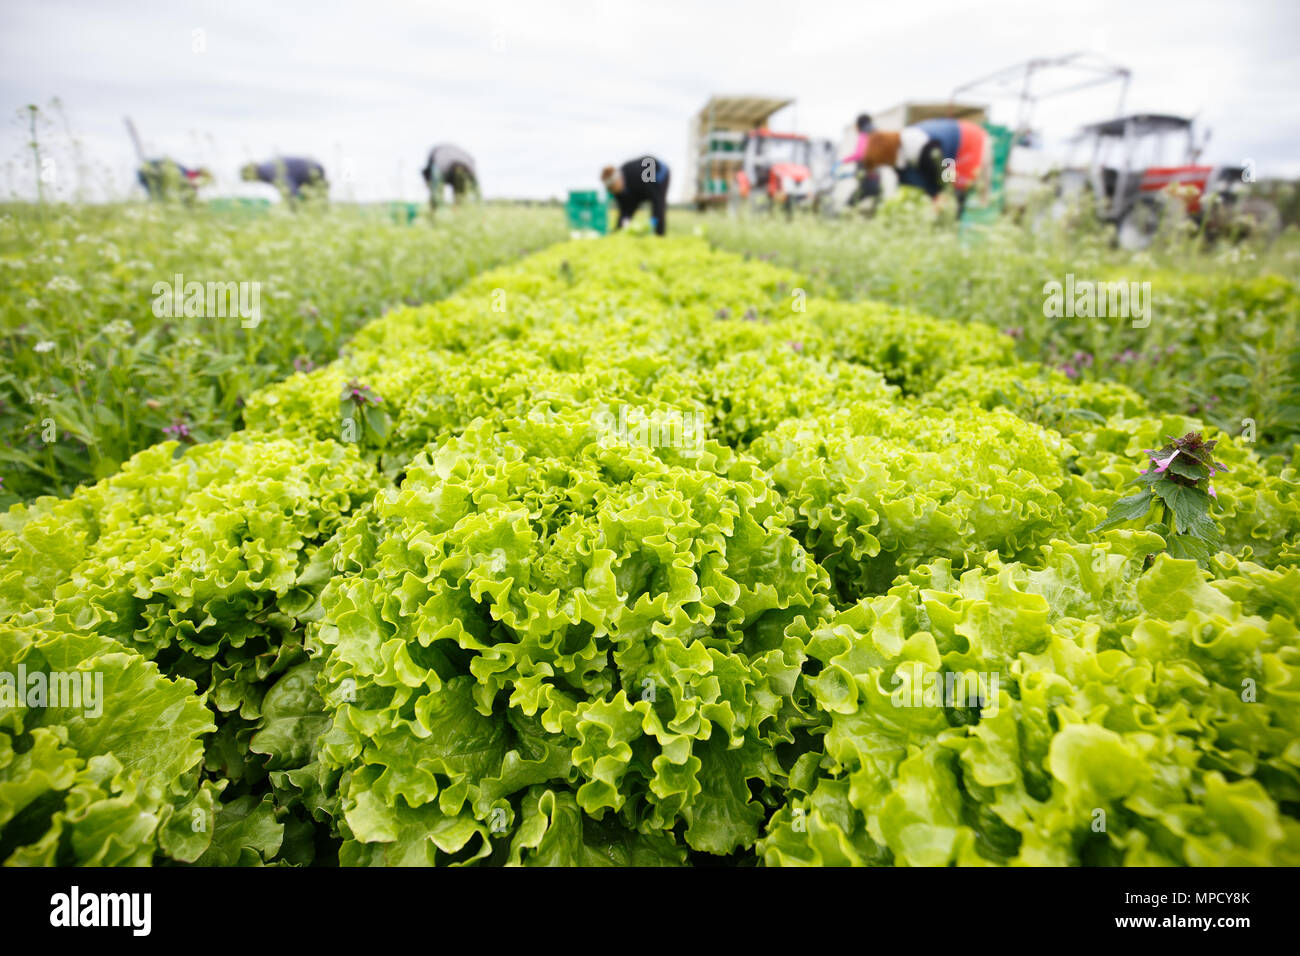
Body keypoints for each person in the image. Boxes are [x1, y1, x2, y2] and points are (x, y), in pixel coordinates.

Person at [863, 117, 991, 215]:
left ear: (885, 153)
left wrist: (946, 191)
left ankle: (956, 231)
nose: (884, 165)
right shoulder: (900, 159)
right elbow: (918, 179)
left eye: (881, 162)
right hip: (950, 154)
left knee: (956, 196)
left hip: (967, 140)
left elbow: (947, 161)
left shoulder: (914, 143)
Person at [601, 156, 670, 236]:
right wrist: (618, 230)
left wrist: (656, 223)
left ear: (618, 179)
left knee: (658, 206)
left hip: (659, 176)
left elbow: (657, 200)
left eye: (613, 187)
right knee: (628, 207)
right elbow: (625, 210)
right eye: (610, 189)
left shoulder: (636, 173)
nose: (613, 191)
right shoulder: (617, 191)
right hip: (636, 189)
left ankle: (660, 235)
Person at [240, 156, 327, 200]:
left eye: (251, 179)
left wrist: (292, 209)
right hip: (310, 169)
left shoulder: (269, 171)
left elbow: (290, 189)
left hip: (311, 170)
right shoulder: (267, 168)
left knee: (316, 201)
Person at [841, 114, 881, 207]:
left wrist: (843, 161)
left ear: (859, 125)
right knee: (877, 203)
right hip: (876, 176)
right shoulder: (877, 134)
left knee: (850, 204)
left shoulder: (864, 134)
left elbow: (859, 154)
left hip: (867, 176)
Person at [422, 143, 479, 209]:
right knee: (460, 198)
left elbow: (476, 188)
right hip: (462, 166)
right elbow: (477, 190)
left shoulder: (438, 160)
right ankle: (454, 210)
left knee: (437, 196)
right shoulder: (466, 160)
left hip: (451, 166)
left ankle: (438, 211)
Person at [137, 158, 210, 201]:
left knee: (158, 198)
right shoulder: (181, 172)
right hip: (149, 175)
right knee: (158, 199)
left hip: (147, 174)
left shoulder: (183, 172)